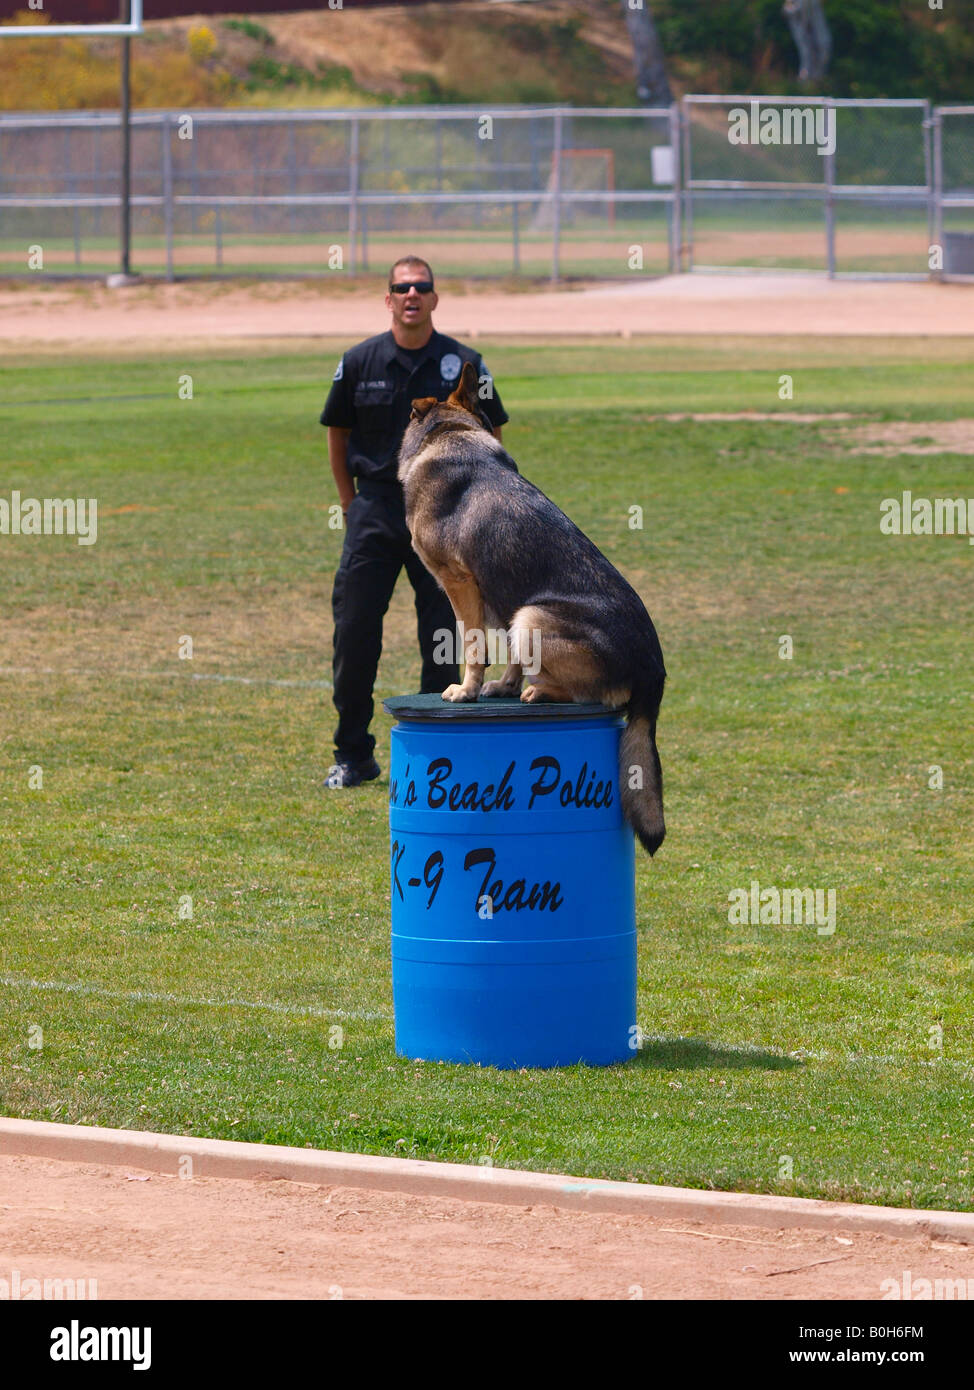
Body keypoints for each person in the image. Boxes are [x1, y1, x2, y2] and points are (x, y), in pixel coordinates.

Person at [320, 255, 509, 788]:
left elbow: (492, 434)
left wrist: (484, 504)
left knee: (444, 632)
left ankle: (441, 756)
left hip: (449, 512)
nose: (411, 295)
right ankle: (352, 754)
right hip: (378, 508)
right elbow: (337, 431)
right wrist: (348, 500)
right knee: (355, 629)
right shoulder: (359, 362)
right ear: (388, 299)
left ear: (433, 298)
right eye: (401, 288)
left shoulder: (464, 362)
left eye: (420, 287)